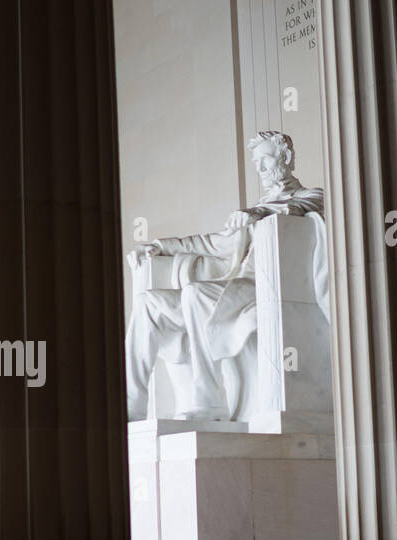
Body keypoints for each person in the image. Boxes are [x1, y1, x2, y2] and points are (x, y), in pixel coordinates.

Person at [125, 131, 325, 422]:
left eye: (265, 159)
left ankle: (209, 400)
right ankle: (133, 405)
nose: (260, 168)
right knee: (147, 303)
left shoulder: (310, 196)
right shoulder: (252, 211)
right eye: (256, 162)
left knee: (195, 293)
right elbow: (211, 243)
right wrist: (159, 246)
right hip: (230, 287)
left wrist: (257, 212)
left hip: (261, 287)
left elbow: (300, 208)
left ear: (286, 158)